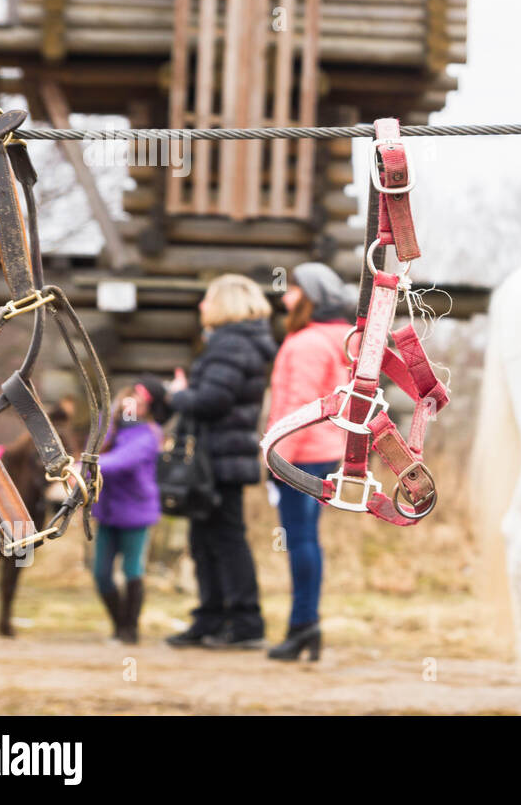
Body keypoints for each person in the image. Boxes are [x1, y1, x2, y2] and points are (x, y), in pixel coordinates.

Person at [164, 274, 277, 650]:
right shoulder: (241, 343)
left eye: (207, 299)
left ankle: (245, 623)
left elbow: (212, 401)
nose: (201, 306)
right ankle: (211, 619)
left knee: (225, 540)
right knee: (205, 539)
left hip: (218, 461)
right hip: (222, 458)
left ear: (224, 304)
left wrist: (179, 394)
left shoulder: (231, 345)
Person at [264, 263, 355, 662]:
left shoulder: (306, 344)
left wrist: (277, 462)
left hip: (300, 457)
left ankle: (303, 626)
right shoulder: (345, 340)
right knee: (307, 540)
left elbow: (298, 409)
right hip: (328, 453)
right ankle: (305, 625)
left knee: (300, 541)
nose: (286, 297)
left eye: (294, 289)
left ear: (312, 296)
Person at [90, 382, 162, 644]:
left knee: (132, 570)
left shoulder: (148, 435)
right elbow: (96, 450)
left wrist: (81, 467)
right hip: (107, 511)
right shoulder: (108, 429)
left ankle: (129, 630)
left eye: (137, 403)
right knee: (101, 573)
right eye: (127, 402)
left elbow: (122, 461)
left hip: (136, 512)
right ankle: (119, 624)